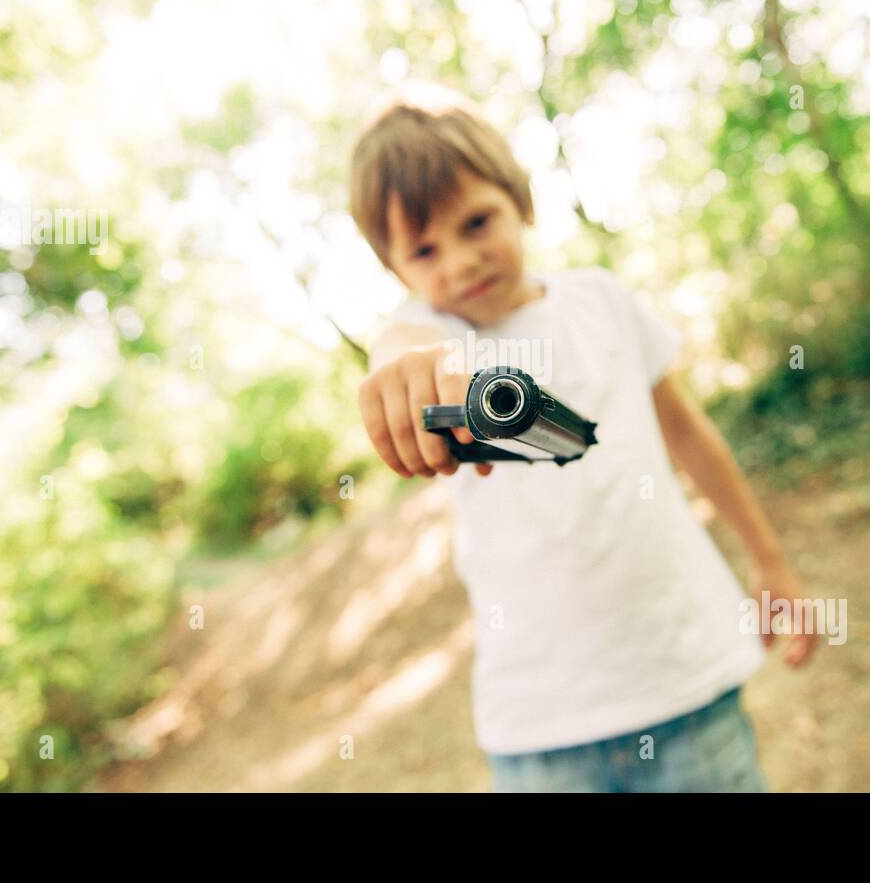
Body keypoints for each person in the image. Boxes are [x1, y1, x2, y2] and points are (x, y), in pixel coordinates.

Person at [348, 81, 817, 792]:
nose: (460, 262)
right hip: (541, 730)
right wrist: (402, 368)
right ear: (397, 271)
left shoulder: (600, 301)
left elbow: (688, 433)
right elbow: (404, 344)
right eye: (424, 249)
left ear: (522, 204)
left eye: (476, 224)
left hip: (685, 683)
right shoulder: (440, 342)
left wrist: (770, 560)